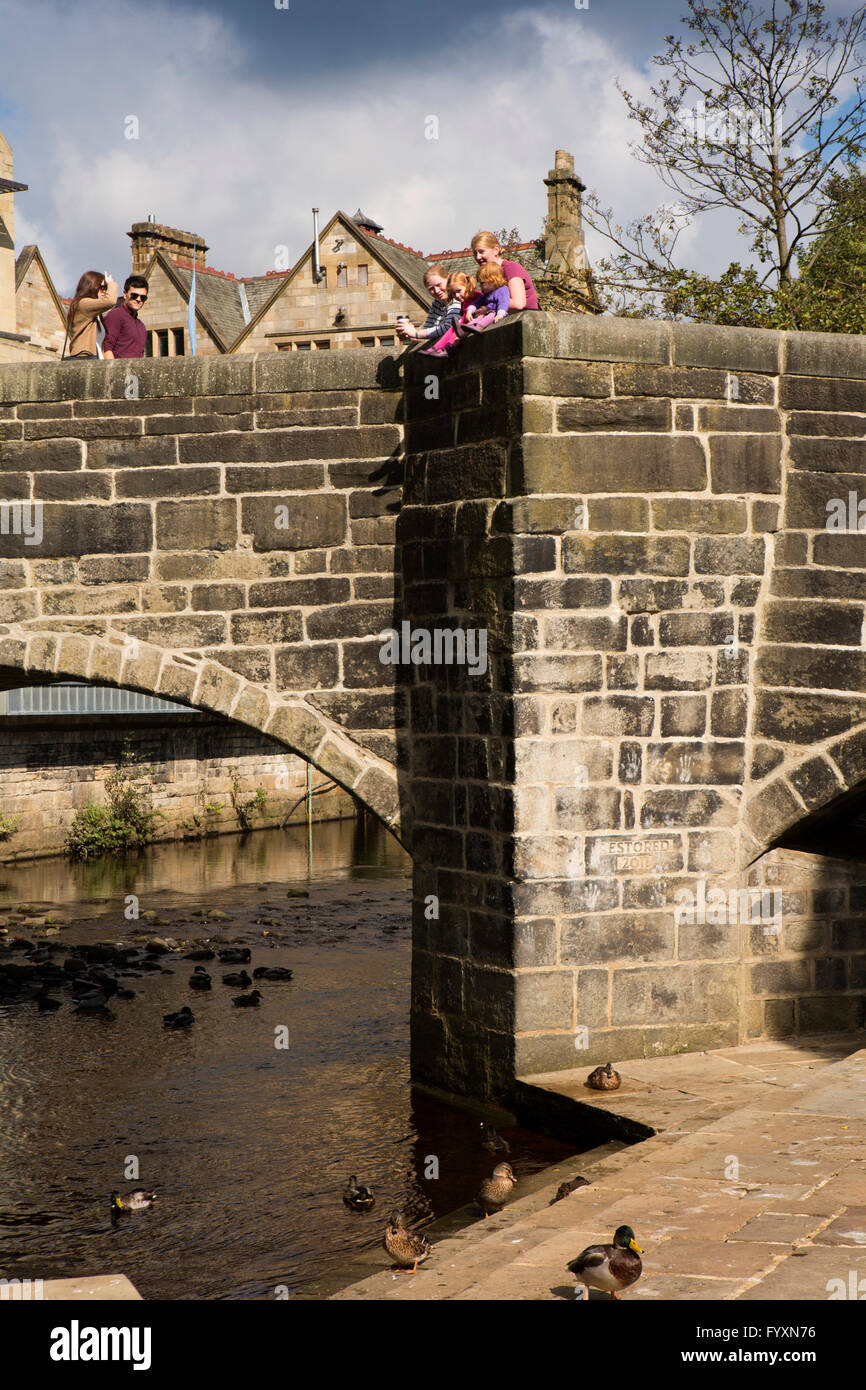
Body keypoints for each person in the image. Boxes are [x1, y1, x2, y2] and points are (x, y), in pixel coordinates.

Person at [470, 231, 539, 311]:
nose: (478, 257)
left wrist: (489, 306)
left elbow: (518, 304)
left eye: (481, 252)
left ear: (496, 250)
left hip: (525, 318)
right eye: (475, 253)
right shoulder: (486, 275)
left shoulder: (510, 268)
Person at [420, 270, 482, 356]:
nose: (456, 296)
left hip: (472, 324)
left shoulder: (477, 296)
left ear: (468, 286)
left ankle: (446, 347)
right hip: (465, 325)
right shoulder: (463, 301)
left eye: (459, 291)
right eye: (453, 293)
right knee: (452, 328)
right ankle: (436, 348)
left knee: (454, 328)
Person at [396, 263, 460, 345]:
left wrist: (415, 333)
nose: (436, 291)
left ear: (448, 279)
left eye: (438, 285)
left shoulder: (457, 299)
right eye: (431, 289)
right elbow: (427, 333)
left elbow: (450, 327)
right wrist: (408, 333)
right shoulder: (436, 304)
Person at [62, 271, 118, 360]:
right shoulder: (83, 304)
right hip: (84, 358)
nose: (105, 292)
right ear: (91, 287)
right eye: (102, 288)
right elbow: (110, 301)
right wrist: (111, 283)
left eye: (106, 288)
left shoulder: (96, 314)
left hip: (96, 361)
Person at [103, 275, 148, 359]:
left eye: (143, 297)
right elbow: (106, 348)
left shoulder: (141, 325)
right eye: (134, 295)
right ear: (125, 294)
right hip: (118, 370)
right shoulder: (116, 315)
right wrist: (112, 371)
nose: (138, 299)